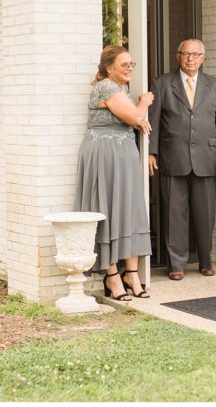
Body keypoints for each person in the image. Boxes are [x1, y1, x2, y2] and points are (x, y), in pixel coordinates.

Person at [74, 45, 153, 301]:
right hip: (105, 155)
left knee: (129, 210)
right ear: (109, 68)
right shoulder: (107, 87)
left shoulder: (120, 89)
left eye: (132, 64)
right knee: (108, 209)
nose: (130, 68)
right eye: (124, 65)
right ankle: (112, 277)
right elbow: (135, 116)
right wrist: (144, 103)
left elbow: (135, 120)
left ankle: (131, 273)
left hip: (124, 154)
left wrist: (138, 116)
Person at [148, 38, 216, 281]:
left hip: (206, 158)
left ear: (202, 58)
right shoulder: (163, 83)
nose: (191, 58)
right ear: (178, 56)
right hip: (173, 158)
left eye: (196, 54)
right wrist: (152, 152)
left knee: (205, 213)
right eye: (186, 54)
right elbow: (153, 121)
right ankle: (177, 264)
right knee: (175, 214)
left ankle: (206, 260)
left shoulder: (215, 85)